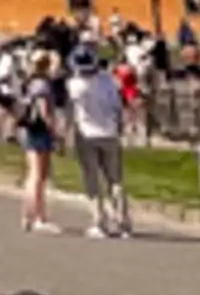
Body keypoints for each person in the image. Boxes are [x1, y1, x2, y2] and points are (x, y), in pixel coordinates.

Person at [64, 40, 131, 238]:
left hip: (87, 134)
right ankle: (122, 221)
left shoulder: (75, 85)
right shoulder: (108, 80)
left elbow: (71, 111)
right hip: (109, 132)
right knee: (115, 179)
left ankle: (99, 221)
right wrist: (120, 127)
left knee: (91, 179)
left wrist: (66, 133)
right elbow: (118, 107)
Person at [17, 44, 66, 234]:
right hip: (40, 131)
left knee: (33, 175)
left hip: (30, 130)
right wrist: (55, 132)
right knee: (38, 176)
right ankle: (39, 217)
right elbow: (44, 111)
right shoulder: (42, 85)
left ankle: (27, 215)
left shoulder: (29, 82)